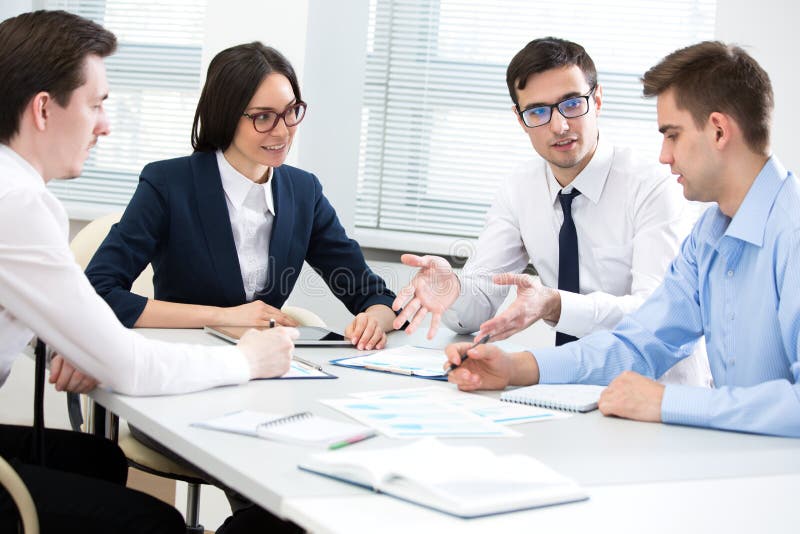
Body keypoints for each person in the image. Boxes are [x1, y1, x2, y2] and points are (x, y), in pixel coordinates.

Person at [0, 10, 297, 533]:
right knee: (156, 522)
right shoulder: (18, 202)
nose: (105, 125)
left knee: (96, 460)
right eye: (96, 104)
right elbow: (129, 366)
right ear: (43, 109)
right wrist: (247, 359)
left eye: (291, 113)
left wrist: (82, 341)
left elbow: (69, 320)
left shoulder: (14, 190)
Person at [445, 41, 800, 438]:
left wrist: (666, 402)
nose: (664, 156)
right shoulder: (709, 235)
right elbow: (640, 343)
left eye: (672, 135)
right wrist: (516, 368)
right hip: (734, 452)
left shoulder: (792, 235)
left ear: (718, 130)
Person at [392, 37, 709, 385]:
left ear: (597, 100)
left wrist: (555, 304)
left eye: (572, 104)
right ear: (520, 119)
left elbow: (655, 314)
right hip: (566, 388)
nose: (559, 126)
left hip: (658, 389)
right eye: (538, 112)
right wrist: (453, 288)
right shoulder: (519, 188)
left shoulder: (653, 187)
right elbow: (476, 307)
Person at [85, 42, 396, 352]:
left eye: (291, 112)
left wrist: (373, 320)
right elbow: (98, 292)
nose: (283, 132)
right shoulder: (168, 184)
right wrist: (224, 317)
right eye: (264, 117)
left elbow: (374, 295)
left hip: (267, 366)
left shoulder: (304, 192)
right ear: (226, 115)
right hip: (185, 361)